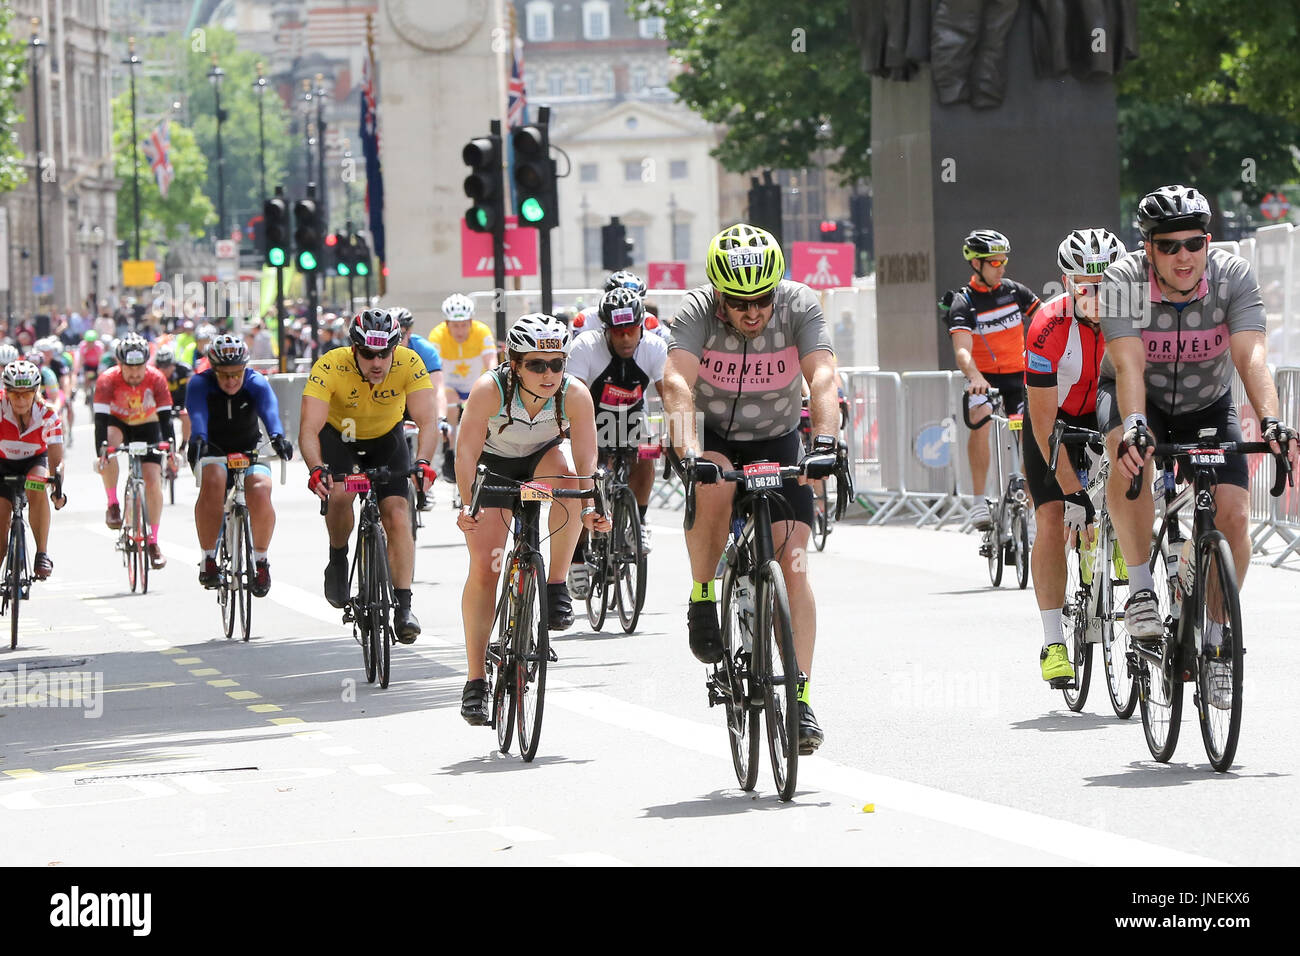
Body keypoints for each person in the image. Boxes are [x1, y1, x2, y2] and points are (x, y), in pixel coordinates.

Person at [1098, 185, 1297, 668]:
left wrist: (1272, 421)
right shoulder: (1124, 281)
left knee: (1232, 512)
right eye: (1168, 245)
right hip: (1138, 398)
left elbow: (1250, 358)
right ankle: (1142, 588)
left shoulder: (1233, 277)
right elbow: (1127, 365)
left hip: (1208, 403)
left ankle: (1215, 637)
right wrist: (1136, 426)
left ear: (1208, 242)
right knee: (1129, 461)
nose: (1183, 256)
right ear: (1148, 249)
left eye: (1194, 243)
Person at [660, 223, 840, 755]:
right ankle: (701, 594)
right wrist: (688, 450)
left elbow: (824, 376)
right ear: (719, 295)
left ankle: (801, 697)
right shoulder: (695, 312)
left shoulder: (799, 305)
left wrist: (826, 442)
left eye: (761, 299)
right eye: (739, 303)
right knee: (712, 489)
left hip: (778, 438)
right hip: (710, 435)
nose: (753, 312)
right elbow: (675, 383)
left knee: (795, 559)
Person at [454, 313, 610, 726]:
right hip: (493, 469)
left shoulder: (574, 394)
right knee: (486, 569)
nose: (548, 374)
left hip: (539, 463)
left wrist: (595, 505)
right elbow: (466, 454)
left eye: (556, 363)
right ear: (514, 363)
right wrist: (468, 504)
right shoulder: (490, 390)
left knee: (570, 486)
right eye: (537, 365)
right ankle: (475, 681)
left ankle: (555, 583)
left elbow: (587, 460)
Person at [298, 309, 440, 641]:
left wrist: (423, 462)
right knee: (341, 494)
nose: (376, 363)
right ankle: (338, 555)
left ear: (395, 348)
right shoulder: (330, 365)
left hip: (386, 440)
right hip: (340, 439)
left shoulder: (409, 363)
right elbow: (308, 429)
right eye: (367, 354)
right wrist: (316, 469)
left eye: (384, 354)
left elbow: (428, 422)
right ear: (353, 350)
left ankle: (404, 606)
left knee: (398, 513)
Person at [1024, 228, 1126, 684]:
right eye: (1086, 286)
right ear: (1067, 284)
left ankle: (1120, 540)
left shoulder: (1134, 318)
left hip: (1104, 414)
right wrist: (1073, 491)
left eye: (1107, 284)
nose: (1097, 296)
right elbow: (1044, 422)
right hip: (1054, 423)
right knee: (1051, 518)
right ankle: (1052, 643)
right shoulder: (1047, 325)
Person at [565, 286, 667, 602]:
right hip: (591, 417)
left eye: (632, 331)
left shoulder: (653, 347)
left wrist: (676, 432)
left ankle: (640, 519)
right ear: (606, 329)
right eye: (619, 332)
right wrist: (581, 439)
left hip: (632, 418)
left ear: (641, 326)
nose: (626, 339)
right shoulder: (585, 347)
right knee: (586, 481)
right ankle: (578, 556)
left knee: (648, 453)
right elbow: (574, 398)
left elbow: (671, 395)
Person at [944, 229, 1042, 529]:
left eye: (1004, 261)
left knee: (1034, 434)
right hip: (984, 380)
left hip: (1019, 377)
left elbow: (1043, 321)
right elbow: (962, 351)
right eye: (995, 263)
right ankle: (977, 502)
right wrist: (974, 376)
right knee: (981, 417)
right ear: (977, 264)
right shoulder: (964, 302)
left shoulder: (1013, 291)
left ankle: (1030, 502)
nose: (1002, 267)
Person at [186, 334, 293, 596]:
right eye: (224, 375)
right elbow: (197, 415)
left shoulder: (256, 382)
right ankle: (209, 558)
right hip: (214, 447)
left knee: (259, 487)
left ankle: (261, 561)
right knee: (214, 480)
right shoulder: (200, 384)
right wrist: (198, 438)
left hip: (249, 447)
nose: (232, 380)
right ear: (213, 369)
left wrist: (278, 437)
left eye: (237, 373)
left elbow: (270, 413)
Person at [93, 333, 177, 568]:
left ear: (146, 364)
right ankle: (112, 504)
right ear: (120, 365)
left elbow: (166, 418)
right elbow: (100, 420)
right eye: (129, 369)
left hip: (147, 425)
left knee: (152, 481)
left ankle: (153, 541)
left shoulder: (157, 378)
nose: (134, 374)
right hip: (118, 422)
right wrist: (102, 452)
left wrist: (170, 447)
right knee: (108, 446)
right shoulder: (107, 380)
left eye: (139, 368)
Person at [0, 361, 67, 579]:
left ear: (35, 392)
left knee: (36, 483)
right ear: (6, 392)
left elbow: (57, 462)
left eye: (26, 394)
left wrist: (57, 491)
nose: (20, 400)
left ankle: (42, 553)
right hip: (2, 463)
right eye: (15, 394)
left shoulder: (48, 415)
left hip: (34, 462)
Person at [428, 293, 496, 480]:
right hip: (450, 385)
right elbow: (435, 372)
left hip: (475, 384)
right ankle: (450, 450)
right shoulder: (437, 334)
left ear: (471, 321)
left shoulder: (482, 331)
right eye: (455, 325)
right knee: (449, 402)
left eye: (464, 324)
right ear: (447, 324)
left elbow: (492, 363)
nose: (460, 330)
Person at [392, 306, 449, 509]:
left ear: (410, 331)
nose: (399, 338)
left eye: (403, 333)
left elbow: (437, 389)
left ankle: (423, 480)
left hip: (417, 399)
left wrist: (440, 419)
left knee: (427, 429)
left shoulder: (424, 349)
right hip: (393, 400)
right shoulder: (382, 351)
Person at [152, 345, 194, 451]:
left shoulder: (185, 370)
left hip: (181, 402)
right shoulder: (153, 373)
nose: (164, 370)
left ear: (174, 364)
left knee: (186, 415)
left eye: (167, 366)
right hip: (161, 404)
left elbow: (192, 390)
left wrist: (186, 407)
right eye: (161, 366)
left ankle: (183, 446)